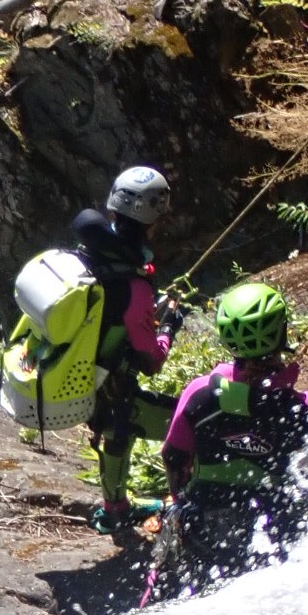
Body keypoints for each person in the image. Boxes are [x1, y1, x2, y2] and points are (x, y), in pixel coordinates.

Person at [159, 282, 308, 589]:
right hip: (272, 537)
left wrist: (177, 497)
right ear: (282, 331)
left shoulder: (199, 395)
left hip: (204, 532)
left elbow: (173, 456)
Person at [72, 166, 186, 533]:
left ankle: (115, 508)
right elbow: (151, 360)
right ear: (153, 219)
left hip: (82, 375)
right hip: (110, 383)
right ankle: (188, 507)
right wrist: (167, 327)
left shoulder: (83, 255)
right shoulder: (134, 286)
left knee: (116, 432)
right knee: (194, 426)